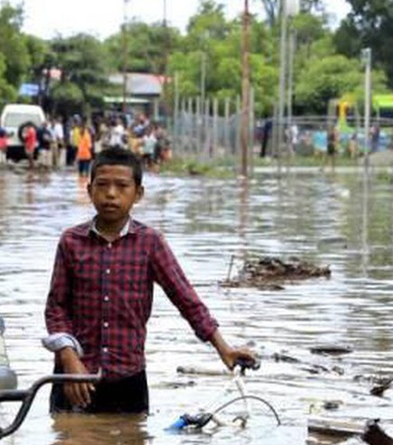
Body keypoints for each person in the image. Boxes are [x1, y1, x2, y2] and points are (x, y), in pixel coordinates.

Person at [43, 147, 256, 415]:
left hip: (128, 379)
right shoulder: (71, 242)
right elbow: (56, 308)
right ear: (89, 191)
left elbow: (185, 298)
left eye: (121, 186)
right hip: (74, 378)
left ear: (138, 194)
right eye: (102, 185)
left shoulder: (150, 243)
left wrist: (224, 348)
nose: (111, 194)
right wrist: (69, 358)